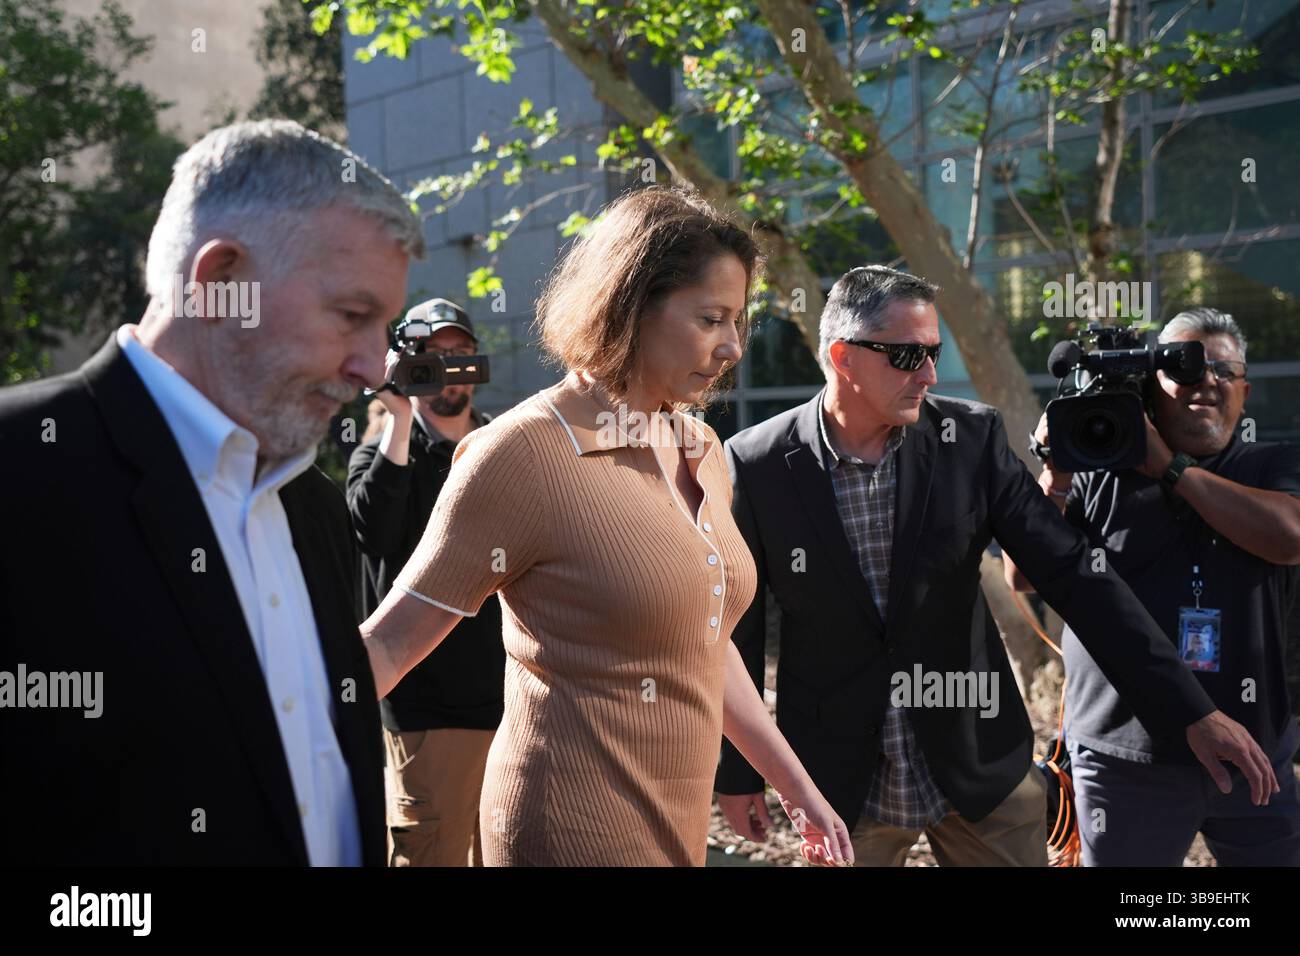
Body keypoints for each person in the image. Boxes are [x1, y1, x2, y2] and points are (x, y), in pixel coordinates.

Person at [715, 266, 1279, 867]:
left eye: (933, 353)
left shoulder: (971, 439)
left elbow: (1077, 578)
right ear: (843, 357)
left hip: (981, 770)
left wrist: (1190, 710)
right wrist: (740, 771)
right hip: (840, 785)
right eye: (909, 356)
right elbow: (736, 627)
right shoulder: (756, 462)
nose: (930, 374)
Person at [361, 185, 852, 866]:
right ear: (629, 306)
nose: (734, 346)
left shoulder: (701, 450)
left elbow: (704, 639)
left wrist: (798, 789)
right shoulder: (524, 451)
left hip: (677, 825)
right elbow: (386, 647)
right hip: (567, 827)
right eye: (711, 319)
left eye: (738, 320)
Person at [0, 119, 423, 865]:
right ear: (221, 281)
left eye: (384, 327)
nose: (372, 368)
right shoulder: (22, 471)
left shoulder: (316, 512)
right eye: (353, 316)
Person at [1005, 307, 1300, 866]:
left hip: (1254, 756)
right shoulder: (1096, 476)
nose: (1206, 382)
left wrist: (1168, 466)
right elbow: (1022, 576)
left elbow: (1288, 537)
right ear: (1150, 386)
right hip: (1124, 759)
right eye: (1185, 369)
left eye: (1223, 370)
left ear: (1245, 389)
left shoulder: (1272, 464)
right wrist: (1057, 468)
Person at [347, 297, 504, 866]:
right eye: (433, 358)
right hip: (428, 708)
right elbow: (375, 532)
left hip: (511, 701)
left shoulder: (499, 447)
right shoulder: (385, 453)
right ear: (407, 365)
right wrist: (399, 416)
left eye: (460, 354)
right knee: (430, 852)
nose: (450, 369)